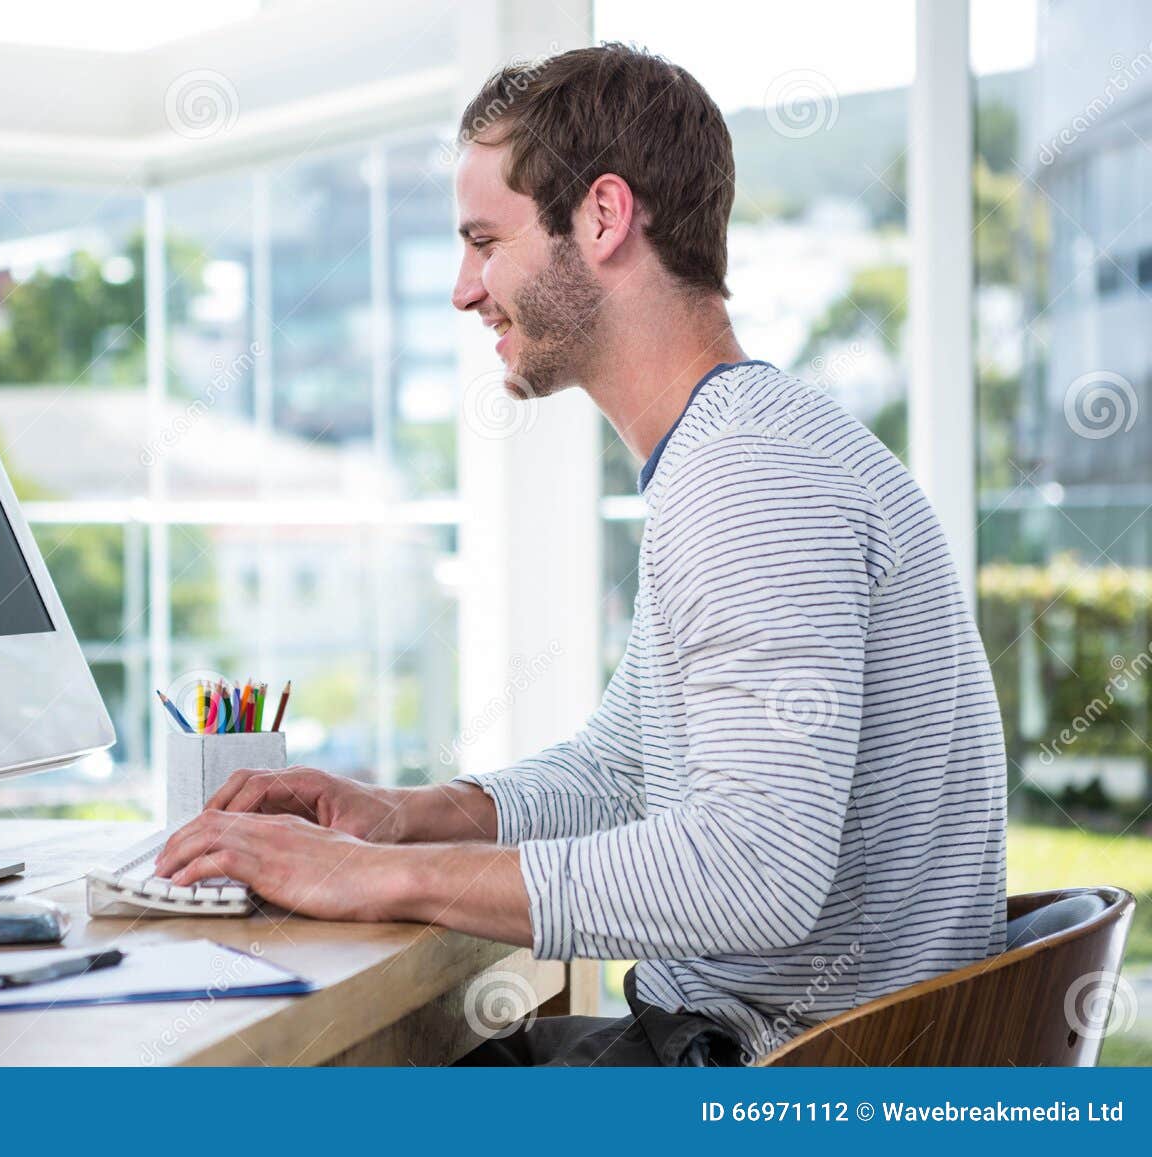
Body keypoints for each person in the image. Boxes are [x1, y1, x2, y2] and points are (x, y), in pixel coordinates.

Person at [155, 42, 1007, 1066]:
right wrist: (404, 816)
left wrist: (370, 876)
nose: (464, 290)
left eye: (483, 240)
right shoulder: (731, 448)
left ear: (602, 217)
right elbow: (626, 775)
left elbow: (753, 870)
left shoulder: (751, 478)